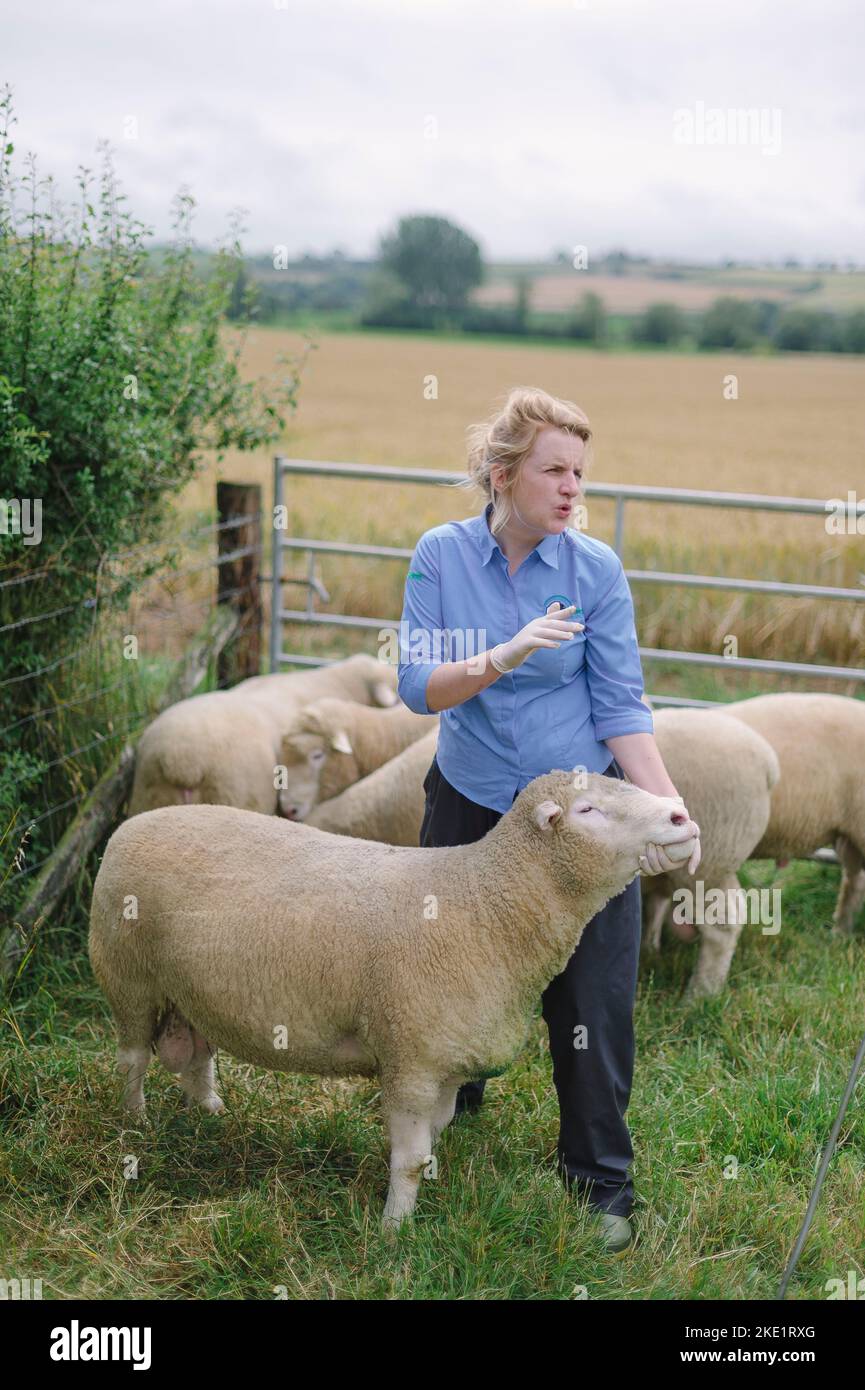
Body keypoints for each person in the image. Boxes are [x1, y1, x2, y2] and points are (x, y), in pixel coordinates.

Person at [396, 385, 700, 1256]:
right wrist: (500, 655)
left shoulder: (594, 570)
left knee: (592, 998)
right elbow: (415, 688)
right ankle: (452, 1108)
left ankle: (600, 1181)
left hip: (579, 819)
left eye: (579, 473)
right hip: (470, 797)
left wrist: (667, 805)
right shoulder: (439, 557)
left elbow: (620, 706)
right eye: (553, 471)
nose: (572, 489)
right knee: (448, 972)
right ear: (502, 475)